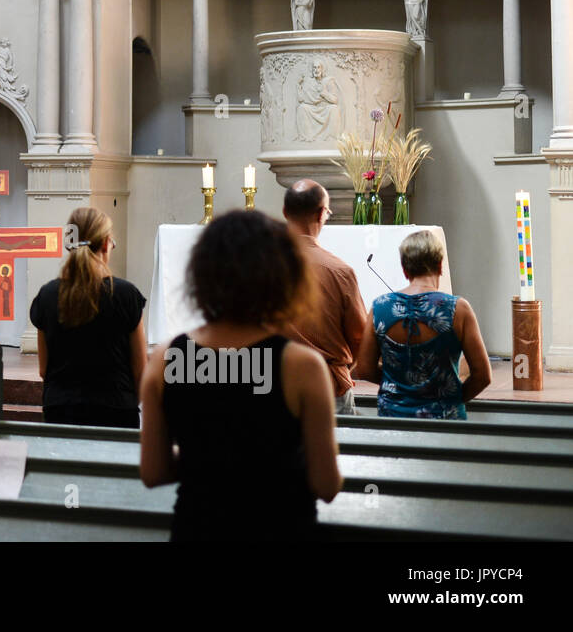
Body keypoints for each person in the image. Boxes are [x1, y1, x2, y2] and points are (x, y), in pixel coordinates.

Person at [140, 211, 342, 541]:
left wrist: (208, 460)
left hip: (198, 528)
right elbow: (326, 485)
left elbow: (153, 471)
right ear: (282, 277)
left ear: (203, 276)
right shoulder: (300, 365)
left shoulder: (165, 358)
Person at [29, 207, 146, 428]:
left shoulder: (47, 295)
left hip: (60, 411)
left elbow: (44, 369)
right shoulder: (126, 294)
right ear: (105, 243)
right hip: (117, 411)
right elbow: (140, 369)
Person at [355, 230, 490, 419]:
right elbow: (483, 375)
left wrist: (399, 388)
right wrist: (453, 399)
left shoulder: (380, 307)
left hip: (393, 418)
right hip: (445, 420)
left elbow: (365, 369)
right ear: (440, 265)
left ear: (404, 269)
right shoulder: (458, 309)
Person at [280, 179, 369, 415]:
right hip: (326, 387)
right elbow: (360, 339)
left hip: (271, 384)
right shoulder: (339, 271)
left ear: (285, 212)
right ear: (321, 214)